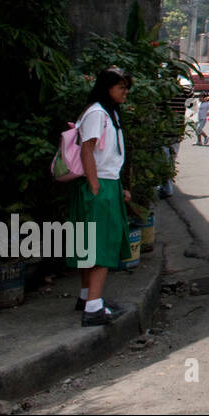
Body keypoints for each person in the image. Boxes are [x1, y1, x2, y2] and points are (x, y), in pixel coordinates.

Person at [72, 67, 134, 326]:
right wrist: (96, 185)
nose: (125, 93)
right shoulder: (98, 113)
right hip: (101, 185)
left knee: (90, 244)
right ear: (107, 88)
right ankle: (94, 309)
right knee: (101, 246)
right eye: (121, 88)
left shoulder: (107, 112)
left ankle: (88, 297)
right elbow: (87, 149)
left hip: (107, 183)